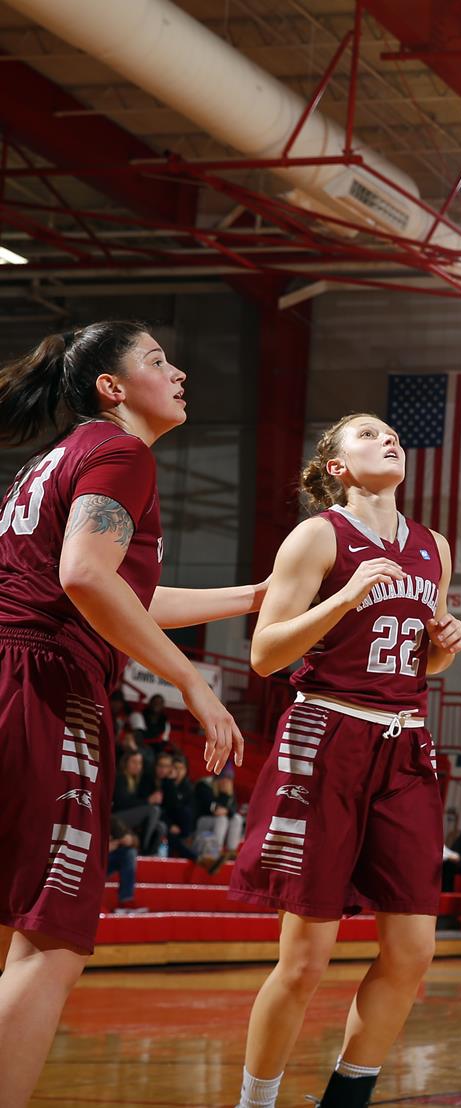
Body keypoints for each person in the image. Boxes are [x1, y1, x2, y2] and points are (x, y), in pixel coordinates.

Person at [0, 321, 258, 1105]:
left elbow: (123, 590)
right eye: (156, 360)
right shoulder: (122, 452)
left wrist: (255, 596)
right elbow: (85, 575)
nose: (178, 372)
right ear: (112, 388)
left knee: (11, 927)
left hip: (11, 669)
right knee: (52, 941)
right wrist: (192, 680)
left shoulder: (55, 460)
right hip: (45, 685)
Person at [229, 411, 461, 1108]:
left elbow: (423, 656)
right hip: (327, 736)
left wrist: (446, 643)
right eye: (366, 434)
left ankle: (346, 1099)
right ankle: (256, 1101)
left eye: (391, 433)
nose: (387, 438)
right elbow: (265, 653)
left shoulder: (433, 547)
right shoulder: (317, 535)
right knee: (305, 959)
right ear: (336, 466)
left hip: (405, 743)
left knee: (412, 950)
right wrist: (347, 593)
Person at [112, 747, 166, 855]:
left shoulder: (137, 781)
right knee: (153, 810)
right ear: (126, 763)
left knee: (161, 827)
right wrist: (148, 800)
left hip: (127, 816)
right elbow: (122, 803)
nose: (138, 766)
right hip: (115, 818)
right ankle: (142, 848)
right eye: (134, 762)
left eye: (140, 763)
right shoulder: (121, 778)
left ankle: (150, 855)